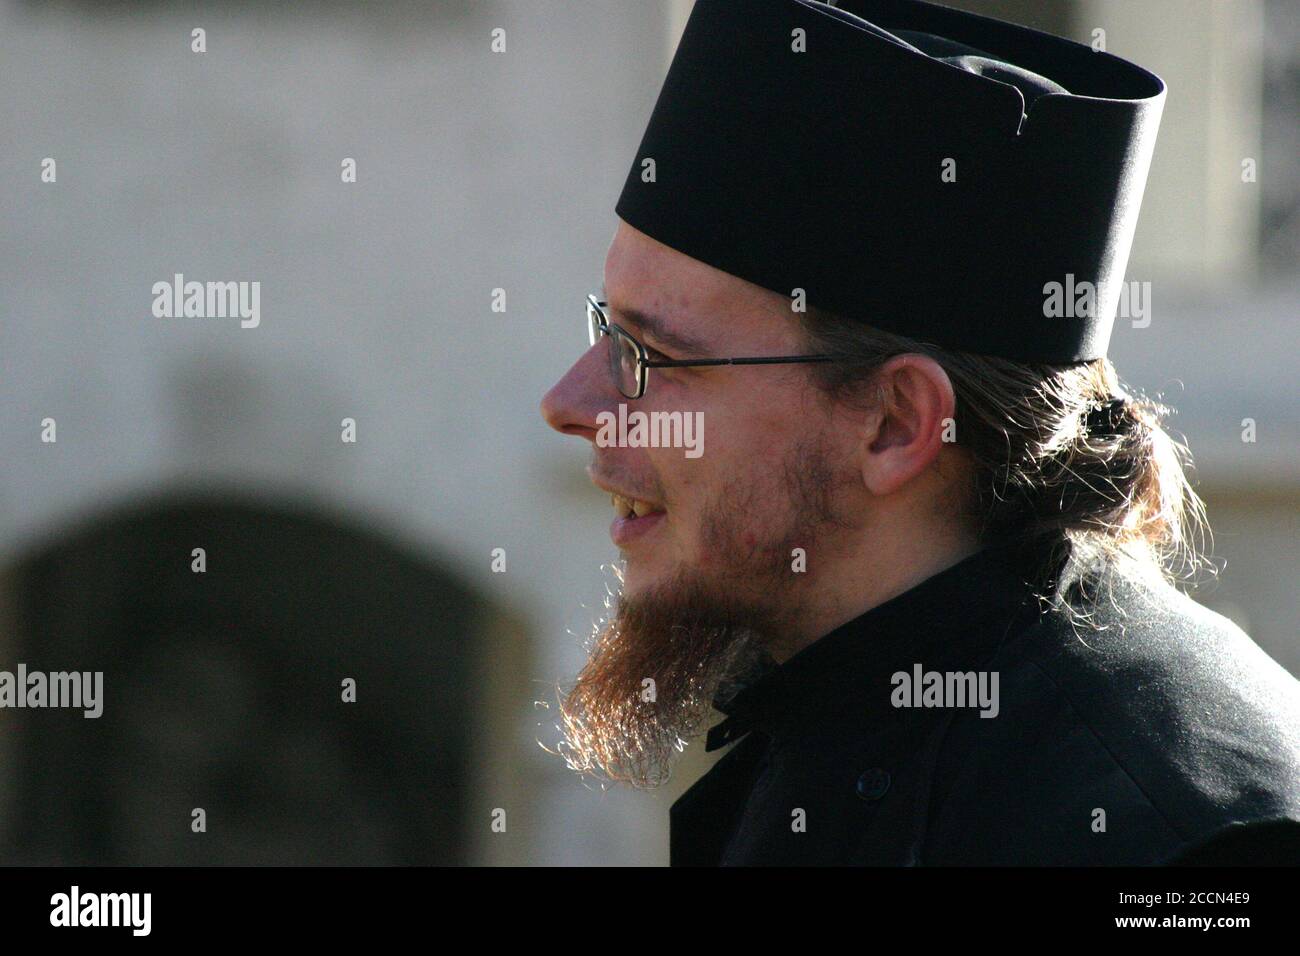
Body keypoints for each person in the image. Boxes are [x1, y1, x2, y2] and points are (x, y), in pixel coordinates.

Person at [540, 0, 1300, 865]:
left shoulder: (1189, 846)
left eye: (654, 355)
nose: (569, 402)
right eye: (606, 329)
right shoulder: (827, 712)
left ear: (896, 425)